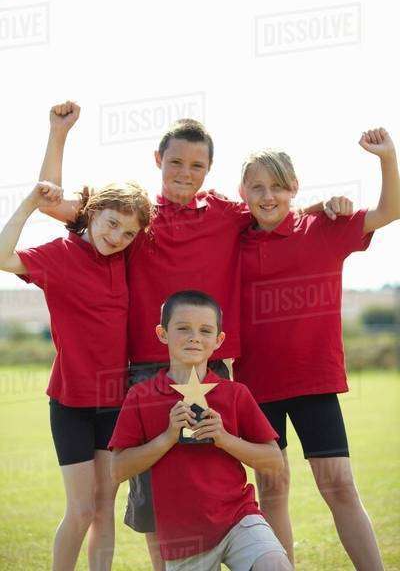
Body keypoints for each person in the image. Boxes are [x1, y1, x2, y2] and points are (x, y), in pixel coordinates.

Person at [38, 104, 353, 570]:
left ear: (209, 170)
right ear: (157, 161)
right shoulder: (134, 214)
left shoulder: (227, 213)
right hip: (145, 374)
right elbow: (50, 201)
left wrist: (323, 208)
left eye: (197, 166)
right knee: (154, 500)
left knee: (213, 483)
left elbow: (273, 208)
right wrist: (59, 132)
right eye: (176, 163)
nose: (186, 173)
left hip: (212, 367)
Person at [233, 127, 400, 570]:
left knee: (340, 488)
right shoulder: (233, 241)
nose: (268, 196)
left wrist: (386, 157)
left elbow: (391, 210)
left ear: (294, 187)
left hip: (314, 381)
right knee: (272, 491)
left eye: (278, 186)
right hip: (255, 387)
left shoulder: (324, 228)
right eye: (258, 187)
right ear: (243, 191)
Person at [0, 112, 152, 569]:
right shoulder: (59, 257)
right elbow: (5, 254)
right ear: (92, 214)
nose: (117, 238)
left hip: (114, 400)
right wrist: (29, 202)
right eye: (110, 225)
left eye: (128, 233)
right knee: (81, 510)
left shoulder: (126, 258)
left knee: (104, 509)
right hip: (69, 403)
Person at [109, 290, 293, 571]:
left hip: (238, 517)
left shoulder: (236, 394)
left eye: (205, 330)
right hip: (184, 536)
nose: (194, 337)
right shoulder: (140, 396)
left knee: (275, 563)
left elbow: (273, 461)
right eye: (183, 328)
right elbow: (118, 469)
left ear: (218, 340)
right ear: (162, 334)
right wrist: (168, 437)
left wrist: (224, 438)